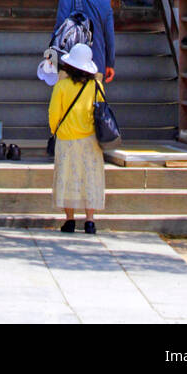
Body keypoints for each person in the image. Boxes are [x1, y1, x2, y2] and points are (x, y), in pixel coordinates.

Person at [49, 42, 105, 234]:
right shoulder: (97, 86)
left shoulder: (62, 86)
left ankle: (70, 219)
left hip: (67, 138)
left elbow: (54, 113)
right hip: (91, 139)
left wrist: (54, 130)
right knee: (90, 177)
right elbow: (101, 112)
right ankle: (90, 220)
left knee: (68, 177)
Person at [54, 0, 116, 83]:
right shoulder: (105, 2)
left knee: (67, 101)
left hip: (68, 62)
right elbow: (109, 36)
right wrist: (110, 63)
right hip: (95, 63)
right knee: (91, 101)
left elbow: (59, 29)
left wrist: (52, 55)